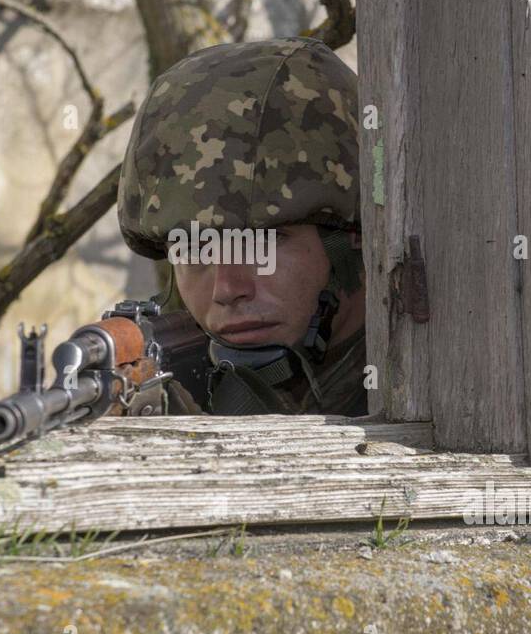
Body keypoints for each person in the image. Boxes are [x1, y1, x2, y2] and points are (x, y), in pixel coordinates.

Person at [116, 35, 368, 417]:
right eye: (196, 250)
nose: (228, 289)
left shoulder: (439, 377)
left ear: (350, 236)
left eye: (260, 246)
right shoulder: (174, 385)